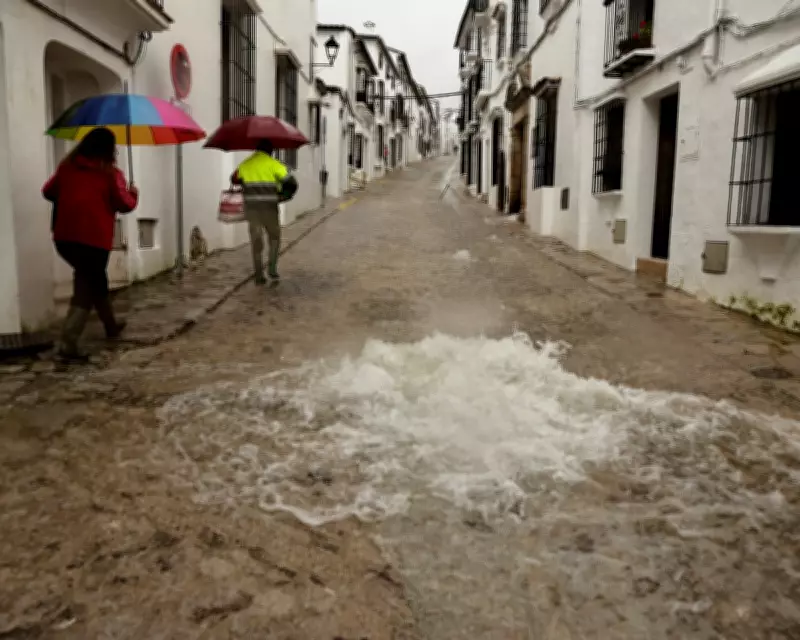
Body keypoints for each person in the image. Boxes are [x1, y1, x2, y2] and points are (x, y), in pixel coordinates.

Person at [42, 127, 139, 361]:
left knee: (94, 278)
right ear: (109, 149)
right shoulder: (110, 173)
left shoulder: (66, 167)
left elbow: (48, 191)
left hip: (65, 237)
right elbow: (124, 204)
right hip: (95, 239)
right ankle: (68, 342)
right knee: (86, 284)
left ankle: (111, 325)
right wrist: (133, 193)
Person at [231, 140, 298, 284]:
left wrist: (245, 182)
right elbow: (292, 183)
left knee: (256, 241)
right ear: (270, 151)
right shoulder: (275, 164)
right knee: (274, 238)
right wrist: (284, 196)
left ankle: (258, 275)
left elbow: (234, 179)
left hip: (252, 209)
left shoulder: (245, 164)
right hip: (270, 208)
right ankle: (272, 269)